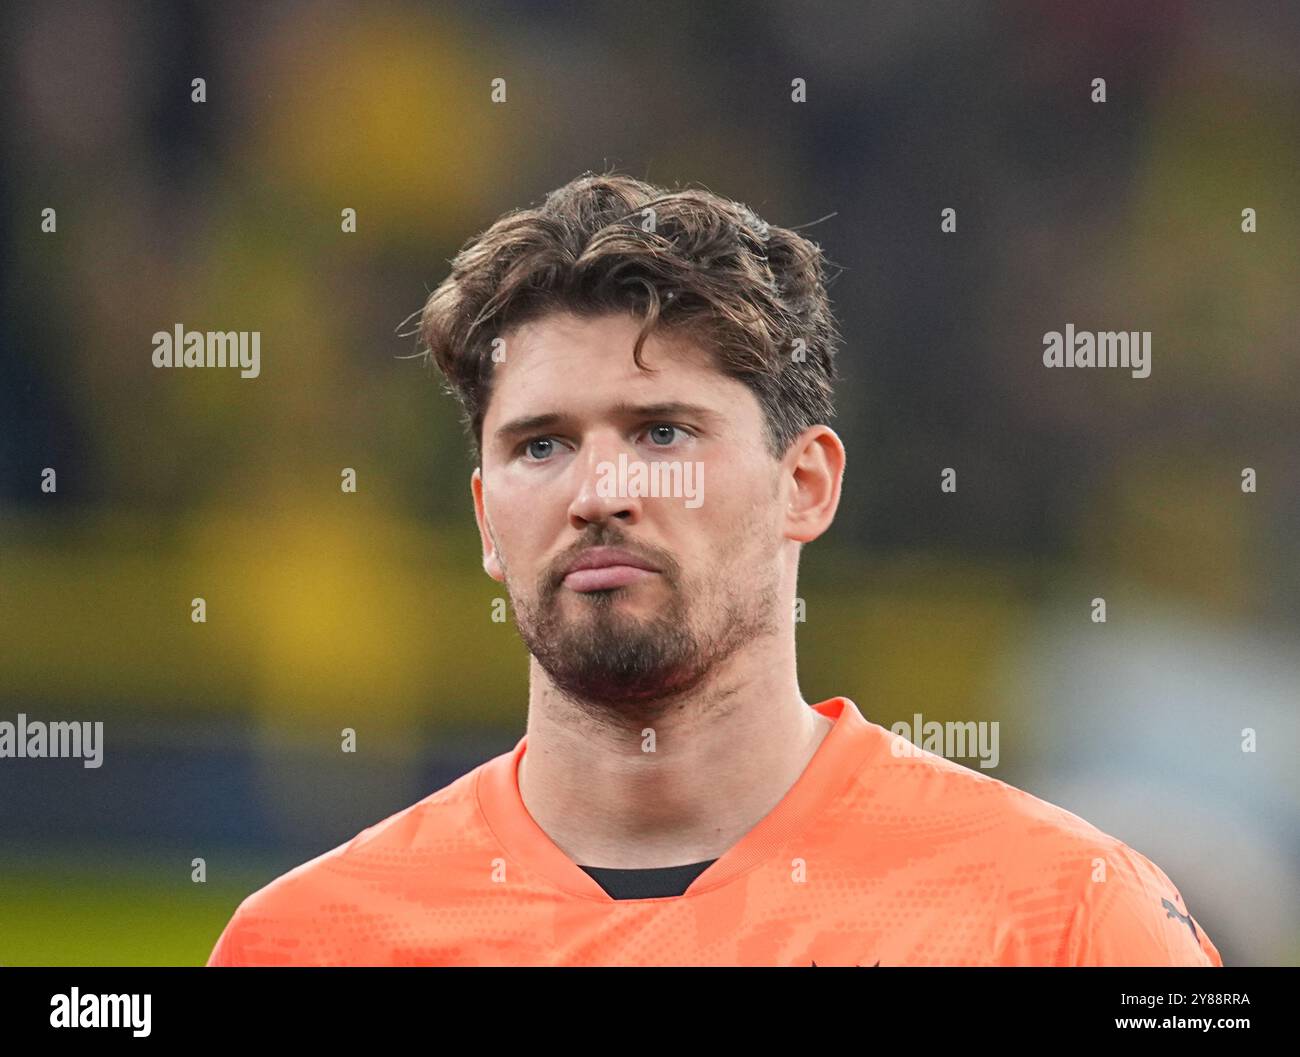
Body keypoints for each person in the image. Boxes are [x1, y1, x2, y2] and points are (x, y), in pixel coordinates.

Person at [207, 172, 1222, 966]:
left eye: (659, 432)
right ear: (484, 516)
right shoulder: (308, 943)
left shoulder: (1062, 918)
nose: (597, 490)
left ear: (806, 484)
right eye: (540, 445)